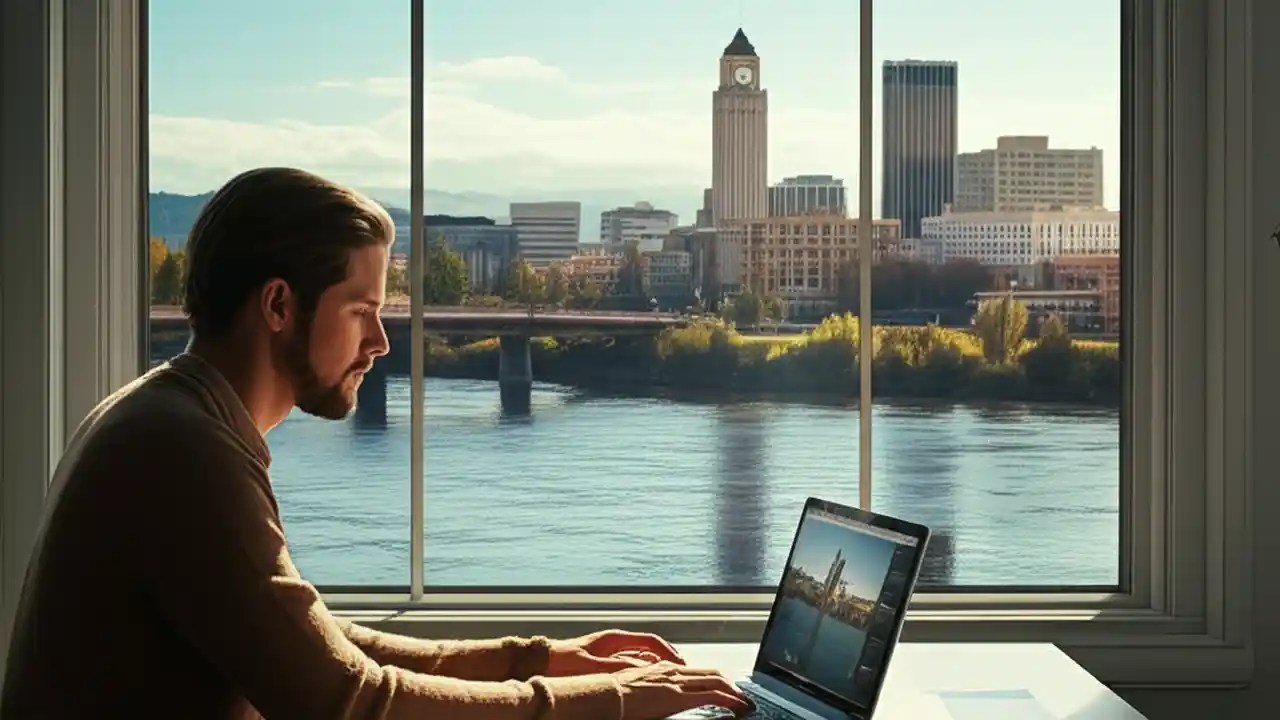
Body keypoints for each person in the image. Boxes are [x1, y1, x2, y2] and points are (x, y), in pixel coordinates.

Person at [0, 167, 751, 719]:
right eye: (362, 309)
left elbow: (319, 643)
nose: (383, 341)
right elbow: (344, 702)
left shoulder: (175, 418)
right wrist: (609, 701)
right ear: (279, 305)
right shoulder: (178, 450)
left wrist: (536, 658)